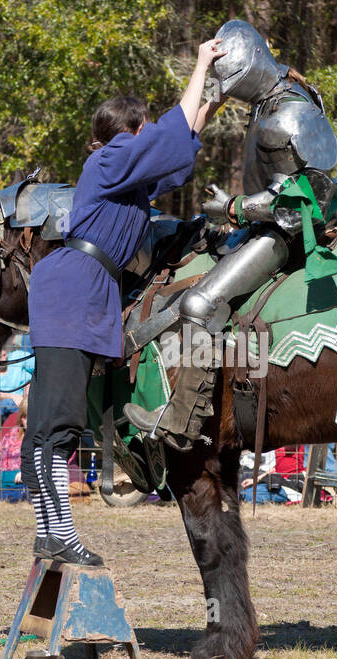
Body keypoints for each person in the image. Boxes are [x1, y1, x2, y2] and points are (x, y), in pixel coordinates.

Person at [25, 40, 220, 566]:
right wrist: (201, 65)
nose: (148, 137)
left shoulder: (123, 181)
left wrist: (212, 102)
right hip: (72, 290)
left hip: (84, 290)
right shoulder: (109, 158)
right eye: (144, 129)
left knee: (56, 422)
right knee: (55, 422)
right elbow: (168, 139)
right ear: (129, 133)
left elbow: (177, 155)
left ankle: (53, 534)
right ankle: (55, 534)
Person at [125, 20, 337, 451]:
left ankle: (183, 419)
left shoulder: (288, 115)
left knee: (200, 303)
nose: (230, 96)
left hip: (287, 234)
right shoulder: (269, 104)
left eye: (232, 87)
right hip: (267, 225)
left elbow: (303, 201)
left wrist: (233, 207)